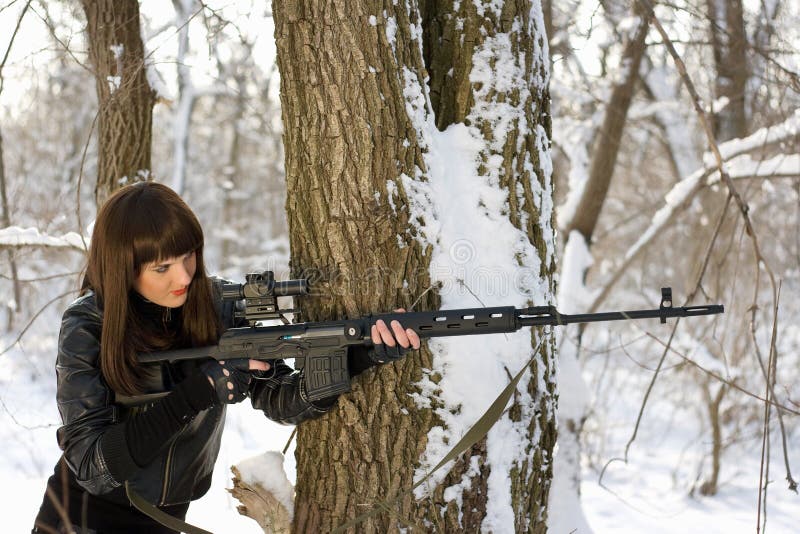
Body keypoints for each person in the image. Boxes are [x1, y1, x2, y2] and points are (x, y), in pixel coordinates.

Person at [33, 181, 420, 533]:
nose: (183, 277)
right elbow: (92, 467)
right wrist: (197, 392)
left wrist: (357, 358)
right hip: (78, 518)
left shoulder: (217, 304)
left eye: (189, 257)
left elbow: (281, 398)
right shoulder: (88, 325)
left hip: (164, 520)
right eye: (162, 267)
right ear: (124, 270)